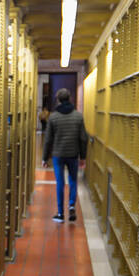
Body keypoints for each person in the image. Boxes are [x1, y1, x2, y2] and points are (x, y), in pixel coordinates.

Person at [43, 87, 87, 223]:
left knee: (60, 182)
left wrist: (45, 157)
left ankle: (61, 213)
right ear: (70, 99)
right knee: (73, 181)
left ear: (58, 100)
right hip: (73, 154)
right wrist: (83, 156)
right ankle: (72, 205)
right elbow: (83, 138)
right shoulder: (78, 116)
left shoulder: (53, 117)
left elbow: (48, 139)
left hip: (58, 155)